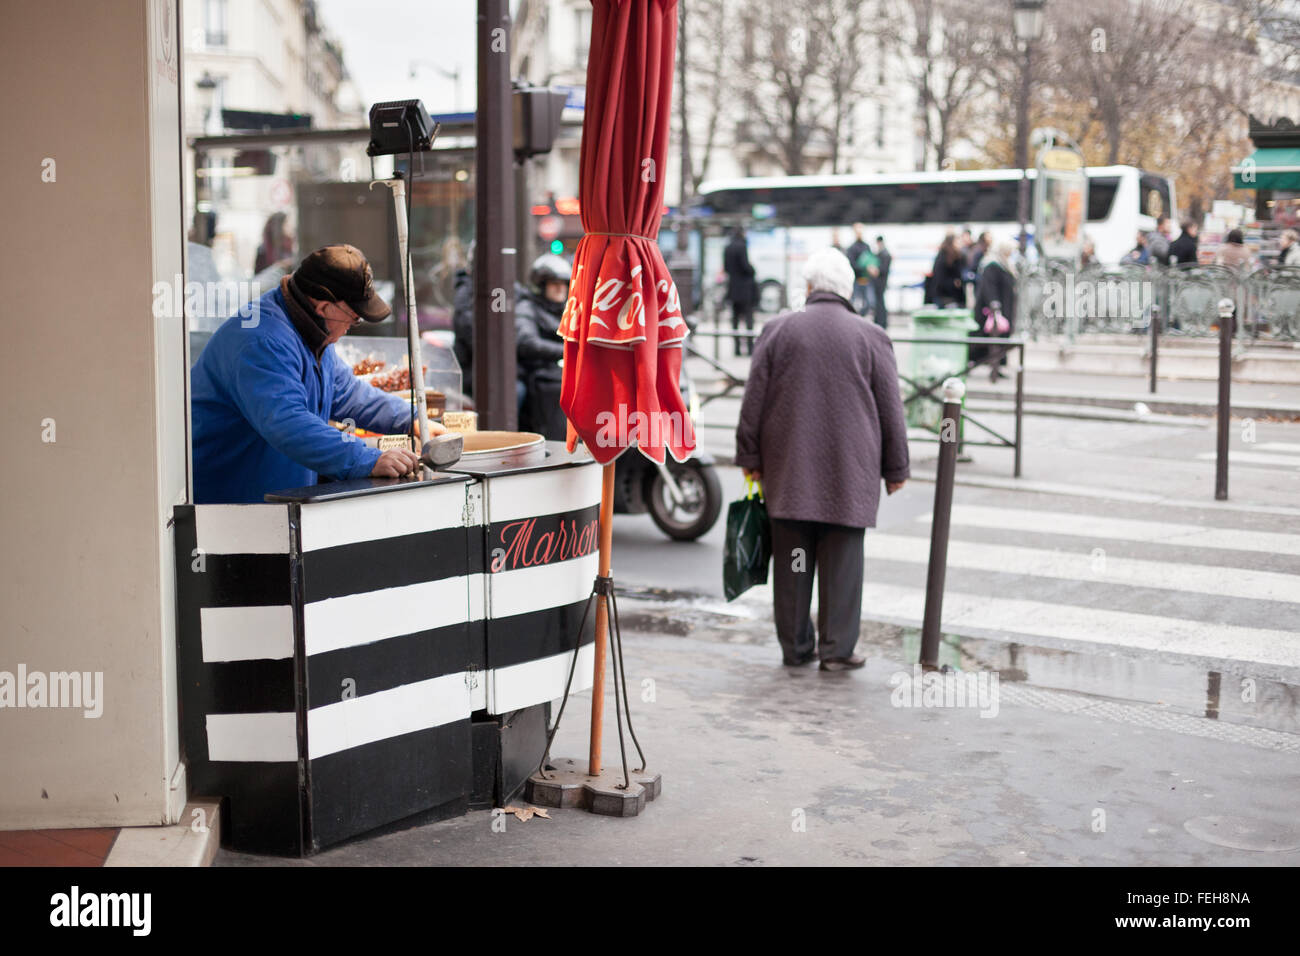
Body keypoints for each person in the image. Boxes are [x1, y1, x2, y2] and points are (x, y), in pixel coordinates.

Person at [734, 248, 910, 672]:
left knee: (794, 563)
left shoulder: (778, 330)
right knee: (842, 565)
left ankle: (796, 648)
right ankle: (837, 650)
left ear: (809, 288)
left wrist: (750, 455)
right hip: (851, 475)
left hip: (790, 473)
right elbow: (891, 409)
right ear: (848, 291)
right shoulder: (871, 336)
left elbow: (752, 401)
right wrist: (896, 468)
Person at [190, 244, 443, 504]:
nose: (351, 327)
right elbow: (289, 424)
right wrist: (367, 460)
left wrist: (410, 419)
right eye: (354, 318)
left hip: (273, 503)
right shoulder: (262, 341)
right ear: (323, 307)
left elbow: (347, 393)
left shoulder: (309, 329)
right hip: (230, 505)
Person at [515, 253, 569, 436]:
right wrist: (567, 351)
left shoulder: (566, 310)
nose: (560, 289)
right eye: (555, 284)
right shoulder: (527, 308)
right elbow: (526, 342)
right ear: (540, 286)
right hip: (536, 376)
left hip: (559, 372)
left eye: (564, 284)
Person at [970, 239, 1017, 383]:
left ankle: (996, 367)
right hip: (993, 312)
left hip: (1003, 309)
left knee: (999, 340)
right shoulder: (992, 265)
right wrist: (994, 306)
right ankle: (990, 367)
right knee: (990, 339)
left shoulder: (1004, 264)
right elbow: (989, 288)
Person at [724, 227, 759, 355]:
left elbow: (727, 268)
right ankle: (750, 348)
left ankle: (737, 349)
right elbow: (746, 266)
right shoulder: (742, 246)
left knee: (735, 319)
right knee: (748, 318)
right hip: (745, 289)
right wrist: (753, 270)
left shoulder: (728, 247)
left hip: (732, 288)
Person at [845, 222, 874, 316]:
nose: (859, 232)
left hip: (866, 280)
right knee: (853, 304)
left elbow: (871, 260)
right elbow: (851, 264)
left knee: (870, 303)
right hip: (856, 280)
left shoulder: (867, 246)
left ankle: (860, 319)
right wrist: (864, 267)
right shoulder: (851, 248)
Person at [931, 235, 965, 307]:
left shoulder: (958, 257)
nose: (960, 245)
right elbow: (939, 278)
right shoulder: (942, 258)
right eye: (957, 243)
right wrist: (953, 283)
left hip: (955, 295)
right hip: (943, 296)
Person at [872, 235, 892, 328]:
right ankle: (880, 321)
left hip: (881, 282)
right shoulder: (882, 253)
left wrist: (877, 270)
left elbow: (883, 269)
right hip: (880, 282)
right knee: (879, 303)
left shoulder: (884, 254)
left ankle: (881, 322)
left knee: (880, 303)